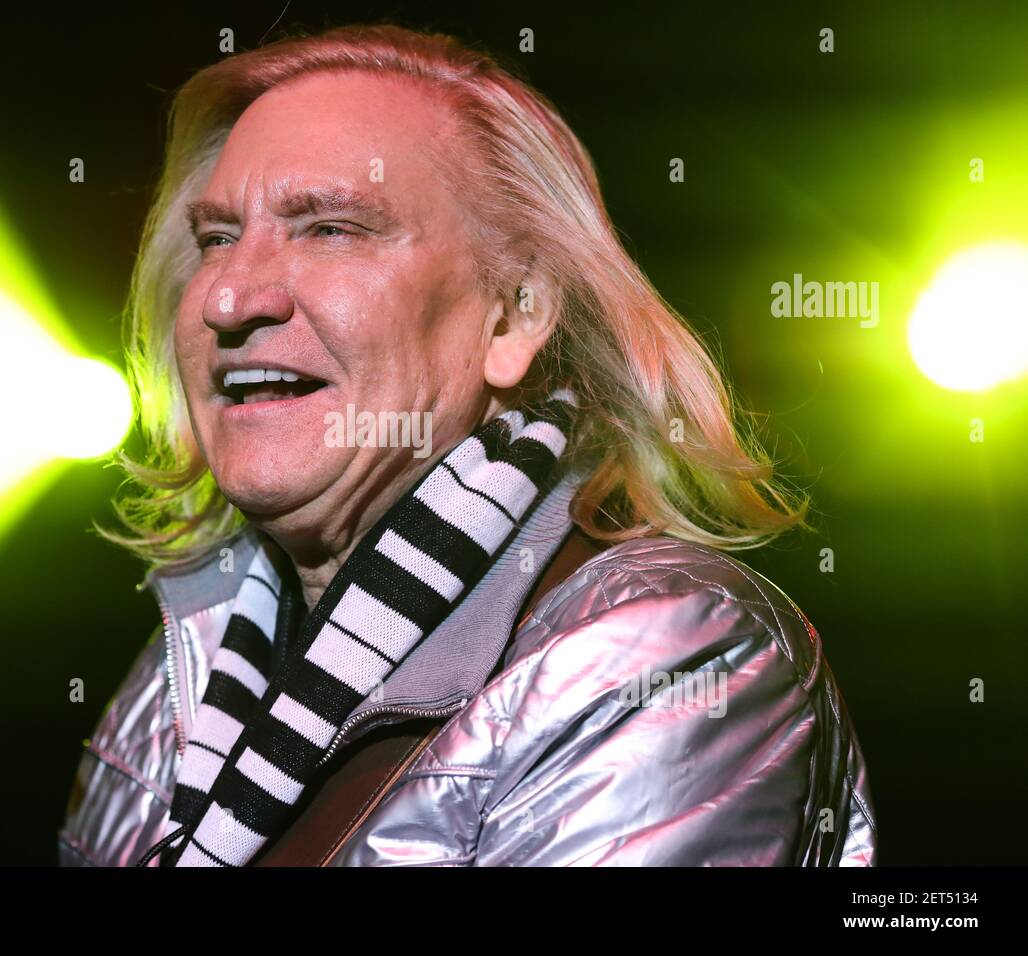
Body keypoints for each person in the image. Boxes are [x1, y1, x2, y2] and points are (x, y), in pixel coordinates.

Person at [58, 23, 876, 867]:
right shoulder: (177, 679)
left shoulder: (662, 656)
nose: (229, 296)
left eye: (331, 228)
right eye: (217, 238)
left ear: (516, 313)